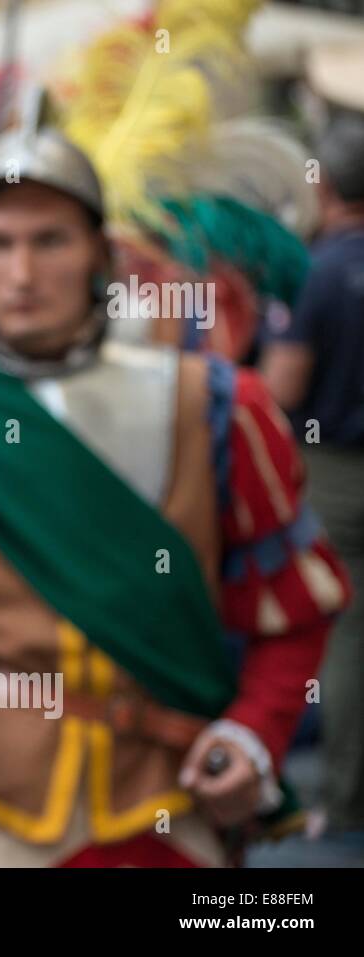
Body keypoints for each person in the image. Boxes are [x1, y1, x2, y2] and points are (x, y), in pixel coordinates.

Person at [0, 128, 349, 866]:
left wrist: (253, 734)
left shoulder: (217, 407)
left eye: (50, 240)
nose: (21, 271)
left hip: (178, 807)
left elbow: (294, 606)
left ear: (100, 254)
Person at [261, 112, 364, 842]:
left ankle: (349, 801)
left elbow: (282, 388)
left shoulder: (316, 269)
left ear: (322, 185)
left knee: (347, 631)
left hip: (335, 469)